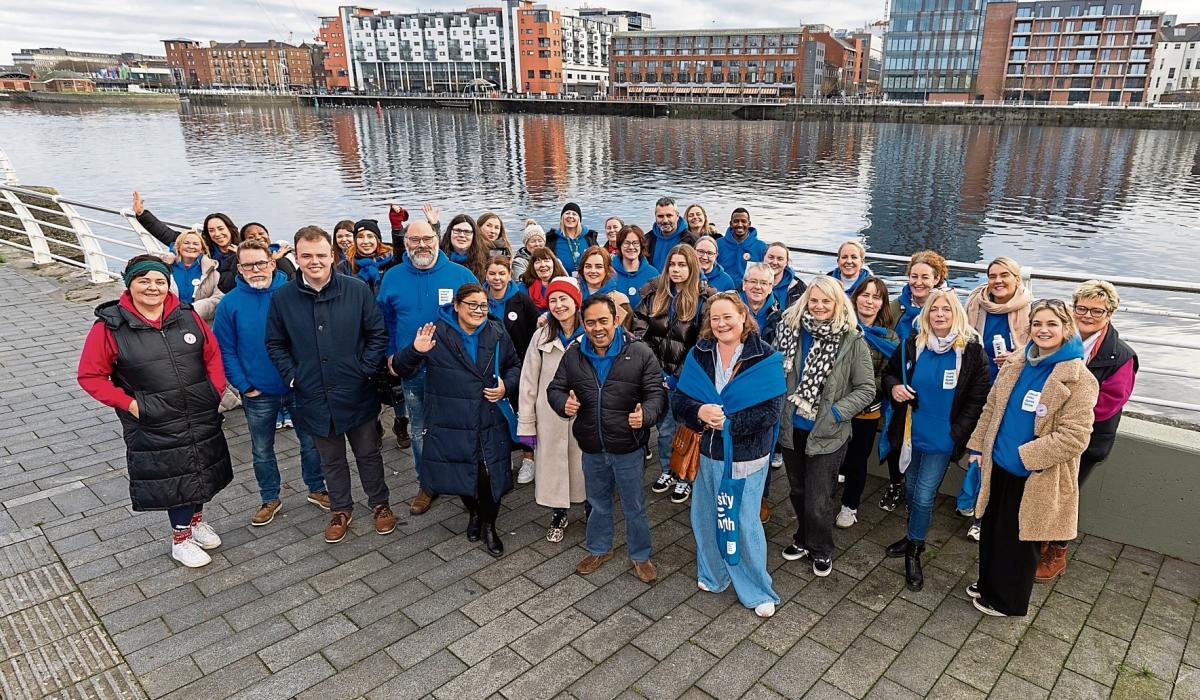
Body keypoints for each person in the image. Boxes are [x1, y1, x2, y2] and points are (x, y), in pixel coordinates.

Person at [78, 255, 232, 568]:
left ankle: (195, 522)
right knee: (173, 477)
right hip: (154, 420)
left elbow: (212, 353)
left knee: (201, 468)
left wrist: (213, 391)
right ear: (130, 284)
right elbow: (90, 376)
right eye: (144, 281)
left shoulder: (187, 315)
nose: (153, 287)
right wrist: (133, 405)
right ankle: (180, 539)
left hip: (200, 410)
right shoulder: (110, 328)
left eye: (160, 281)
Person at [966, 299, 1098, 617]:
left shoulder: (1080, 380)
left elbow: (1075, 438)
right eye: (1037, 324)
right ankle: (988, 583)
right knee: (994, 530)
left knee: (1020, 540)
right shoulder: (1017, 363)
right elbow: (990, 408)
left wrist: (1025, 457)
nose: (1043, 330)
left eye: (1052, 324)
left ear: (1067, 328)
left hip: (1033, 473)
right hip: (998, 465)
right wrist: (978, 448)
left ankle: (1008, 601)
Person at [266, 226, 395, 544]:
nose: (314, 261)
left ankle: (379, 504)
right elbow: (275, 343)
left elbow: (377, 333)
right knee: (331, 458)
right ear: (296, 257)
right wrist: (294, 376)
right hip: (313, 394)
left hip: (356, 390)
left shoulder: (356, 290)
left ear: (332, 255)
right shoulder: (282, 298)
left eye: (321, 255)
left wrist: (363, 370)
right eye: (306, 255)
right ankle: (340, 509)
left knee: (368, 453)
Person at [673, 293, 786, 617]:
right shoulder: (700, 353)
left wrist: (730, 423)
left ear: (743, 316)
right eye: (715, 318)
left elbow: (770, 412)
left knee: (743, 521)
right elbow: (680, 401)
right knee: (706, 516)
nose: (721, 324)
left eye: (728, 317)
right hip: (708, 453)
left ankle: (756, 588)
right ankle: (713, 574)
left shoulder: (765, 357)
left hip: (746, 457)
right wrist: (700, 411)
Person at [393, 284, 522, 557]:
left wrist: (505, 387)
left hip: (489, 416)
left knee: (491, 476)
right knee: (462, 472)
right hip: (451, 418)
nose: (479, 310)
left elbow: (514, 365)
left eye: (483, 305)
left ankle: (489, 525)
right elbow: (403, 369)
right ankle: (474, 513)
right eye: (472, 304)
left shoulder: (497, 332)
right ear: (457, 305)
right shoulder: (437, 333)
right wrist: (415, 350)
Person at [547, 295, 667, 583]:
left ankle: (640, 555)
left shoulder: (640, 353)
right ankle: (600, 548)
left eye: (603, 320)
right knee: (598, 502)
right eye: (590, 322)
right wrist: (563, 403)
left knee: (633, 504)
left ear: (616, 320)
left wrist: (646, 415)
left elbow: (656, 394)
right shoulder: (573, 355)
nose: (597, 328)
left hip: (628, 446)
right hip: (591, 445)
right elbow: (555, 388)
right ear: (583, 324)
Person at [212, 240, 329, 526]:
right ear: (239, 268)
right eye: (248, 265)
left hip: (299, 386)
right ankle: (269, 497)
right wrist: (243, 385)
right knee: (262, 449)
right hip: (258, 391)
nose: (256, 269)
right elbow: (224, 349)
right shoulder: (230, 304)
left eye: (261, 263)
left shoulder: (294, 293)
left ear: (272, 263)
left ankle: (316, 488)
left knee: (311, 441)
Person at [881, 289, 990, 591]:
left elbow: (977, 399)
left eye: (946, 309)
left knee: (923, 495)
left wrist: (956, 434)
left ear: (957, 314)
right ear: (926, 314)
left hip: (942, 440)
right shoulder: (911, 346)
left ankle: (915, 550)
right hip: (910, 435)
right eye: (934, 309)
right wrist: (894, 389)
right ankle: (911, 535)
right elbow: (888, 375)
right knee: (913, 488)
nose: (940, 315)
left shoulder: (970, 352)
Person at [1034, 280, 1137, 582]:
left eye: (1097, 310)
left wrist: (1061, 418)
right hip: (1050, 433)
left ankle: (1057, 550)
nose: (1088, 315)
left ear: (1110, 313)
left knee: (1067, 494)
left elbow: (1109, 403)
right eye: (1082, 308)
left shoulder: (1121, 356)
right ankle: (1039, 537)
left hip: (1085, 440)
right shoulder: (1061, 340)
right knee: (1045, 490)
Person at [774, 275, 875, 577]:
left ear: (837, 304)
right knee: (797, 490)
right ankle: (803, 539)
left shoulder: (852, 341)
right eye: (813, 300)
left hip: (828, 433)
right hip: (793, 427)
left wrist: (835, 413)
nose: (818, 306)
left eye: (825, 301)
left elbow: (866, 389)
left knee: (819, 497)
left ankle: (821, 548)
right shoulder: (790, 331)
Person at [377, 221, 478, 515]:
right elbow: (385, 322)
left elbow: (477, 317)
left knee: (460, 426)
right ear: (405, 243)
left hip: (454, 369)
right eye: (414, 239)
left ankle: (462, 479)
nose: (421, 244)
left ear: (437, 239)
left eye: (427, 238)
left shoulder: (460, 274)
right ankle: (427, 483)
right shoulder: (393, 277)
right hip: (413, 368)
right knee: (420, 428)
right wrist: (391, 356)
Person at [633, 244, 713, 504]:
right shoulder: (655, 294)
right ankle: (668, 469)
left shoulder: (703, 301)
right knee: (665, 428)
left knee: (686, 428)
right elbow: (639, 330)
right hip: (658, 375)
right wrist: (655, 370)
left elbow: (702, 343)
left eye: (683, 265)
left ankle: (685, 476)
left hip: (686, 380)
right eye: (673, 265)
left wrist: (679, 375)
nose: (677, 270)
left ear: (692, 268)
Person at [878, 249, 951, 513]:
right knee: (895, 436)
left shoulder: (947, 307)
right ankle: (896, 483)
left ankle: (917, 489)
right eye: (913, 276)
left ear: (938, 279)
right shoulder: (896, 307)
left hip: (932, 388)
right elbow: (886, 339)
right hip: (899, 381)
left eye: (925, 277)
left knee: (921, 437)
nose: (918, 282)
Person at [518, 277, 588, 542]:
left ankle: (590, 506)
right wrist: (527, 423)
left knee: (584, 464)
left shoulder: (589, 333)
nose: (559, 305)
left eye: (564, 298)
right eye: (553, 300)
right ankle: (559, 511)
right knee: (555, 466)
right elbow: (528, 380)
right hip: (549, 414)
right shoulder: (541, 335)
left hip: (584, 412)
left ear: (576, 301)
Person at [835, 277, 898, 530]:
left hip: (866, 410)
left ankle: (850, 506)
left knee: (858, 459)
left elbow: (885, 376)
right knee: (833, 454)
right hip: (836, 407)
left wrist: (860, 396)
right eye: (865, 295)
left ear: (882, 303)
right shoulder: (840, 326)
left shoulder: (890, 338)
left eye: (876, 297)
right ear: (856, 297)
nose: (869, 301)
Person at [132, 191, 242, 293]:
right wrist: (142, 215)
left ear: (229, 228)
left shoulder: (245, 248)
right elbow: (166, 234)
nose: (217, 234)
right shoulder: (203, 247)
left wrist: (241, 255)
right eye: (211, 230)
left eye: (221, 228)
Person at [965, 256, 1032, 381]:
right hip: (976, 376)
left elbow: (1040, 350)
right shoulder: (975, 304)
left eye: (1004, 275)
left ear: (1017, 279)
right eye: (992, 276)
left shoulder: (1031, 311)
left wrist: (1017, 357)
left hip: (1013, 378)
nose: (998, 281)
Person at [157, 230, 223, 322]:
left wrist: (193, 310)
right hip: (168, 321)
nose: (191, 247)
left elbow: (218, 298)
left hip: (199, 323)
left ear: (202, 249)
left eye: (195, 244)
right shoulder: (164, 269)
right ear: (178, 247)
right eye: (186, 243)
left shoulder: (212, 272)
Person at [611, 224, 659, 309]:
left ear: (641, 246)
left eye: (635, 243)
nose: (631, 247)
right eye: (626, 243)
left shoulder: (653, 274)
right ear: (620, 245)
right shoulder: (609, 272)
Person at [716, 208, 767, 285]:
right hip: (722, 290)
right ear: (730, 223)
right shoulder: (718, 244)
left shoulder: (761, 247)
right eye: (736, 221)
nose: (740, 225)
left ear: (749, 224)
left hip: (748, 292)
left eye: (743, 221)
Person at [546, 202, 598, 275]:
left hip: (587, 281)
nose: (570, 216)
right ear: (562, 218)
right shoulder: (552, 239)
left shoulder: (589, 238)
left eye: (574, 214)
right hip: (561, 281)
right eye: (567, 213)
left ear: (579, 219)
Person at [645, 196, 695, 271]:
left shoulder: (692, 241)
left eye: (669, 215)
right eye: (660, 216)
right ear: (655, 217)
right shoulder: (646, 239)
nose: (665, 220)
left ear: (677, 216)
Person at [348, 219, 396, 294]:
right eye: (360, 237)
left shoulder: (392, 260)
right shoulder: (346, 265)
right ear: (355, 241)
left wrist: (397, 228)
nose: (366, 241)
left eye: (370, 236)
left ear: (378, 240)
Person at [739, 262, 782, 346]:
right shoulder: (730, 307)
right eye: (753, 281)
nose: (758, 287)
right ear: (744, 284)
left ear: (770, 288)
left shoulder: (779, 316)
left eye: (763, 283)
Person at [441, 214, 491, 281]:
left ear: (474, 236)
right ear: (450, 233)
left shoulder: (485, 259)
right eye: (457, 231)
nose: (462, 235)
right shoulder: (439, 257)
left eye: (467, 232)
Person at [763, 242, 806, 311]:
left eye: (780, 259)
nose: (774, 262)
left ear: (787, 262)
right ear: (764, 257)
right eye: (771, 257)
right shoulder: (750, 283)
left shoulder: (799, 287)